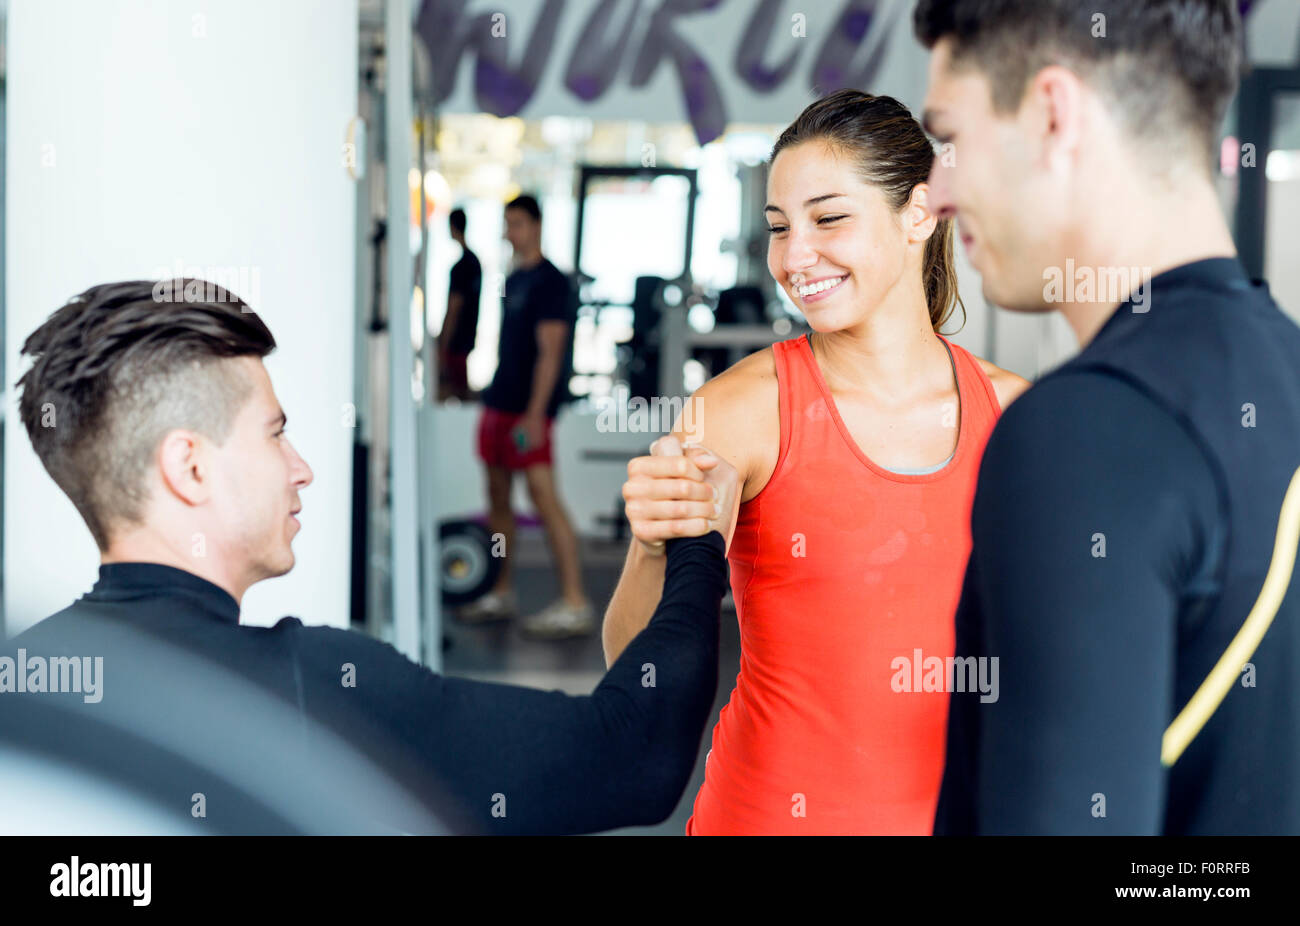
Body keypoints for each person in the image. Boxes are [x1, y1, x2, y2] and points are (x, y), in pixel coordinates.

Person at [8, 279, 739, 835]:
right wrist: (699, 533)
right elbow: (636, 756)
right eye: (273, 434)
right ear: (190, 468)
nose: (301, 468)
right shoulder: (307, 690)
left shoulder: (23, 684)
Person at [911, 0, 1300, 835]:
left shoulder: (1082, 431)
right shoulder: (1285, 369)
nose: (938, 192)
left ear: (1054, 114)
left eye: (949, 140)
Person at [601, 90, 1030, 835]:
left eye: (829, 218)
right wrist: (649, 545)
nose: (796, 257)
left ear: (918, 214)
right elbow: (638, 676)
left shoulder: (1018, 420)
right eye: (779, 227)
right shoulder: (739, 412)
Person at [458, 194, 594, 639]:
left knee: (543, 497)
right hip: (498, 403)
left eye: (515, 223)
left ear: (536, 226)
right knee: (497, 500)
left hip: (527, 414)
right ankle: (501, 591)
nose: (508, 232)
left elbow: (550, 355)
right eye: (505, 223)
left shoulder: (553, 283)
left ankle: (574, 601)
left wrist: (535, 414)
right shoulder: (514, 279)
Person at [437, 207, 480, 402]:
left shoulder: (462, 266)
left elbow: (454, 308)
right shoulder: (474, 262)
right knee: (461, 389)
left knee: (451, 390)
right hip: (467, 336)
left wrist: (443, 343)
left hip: (456, 341)